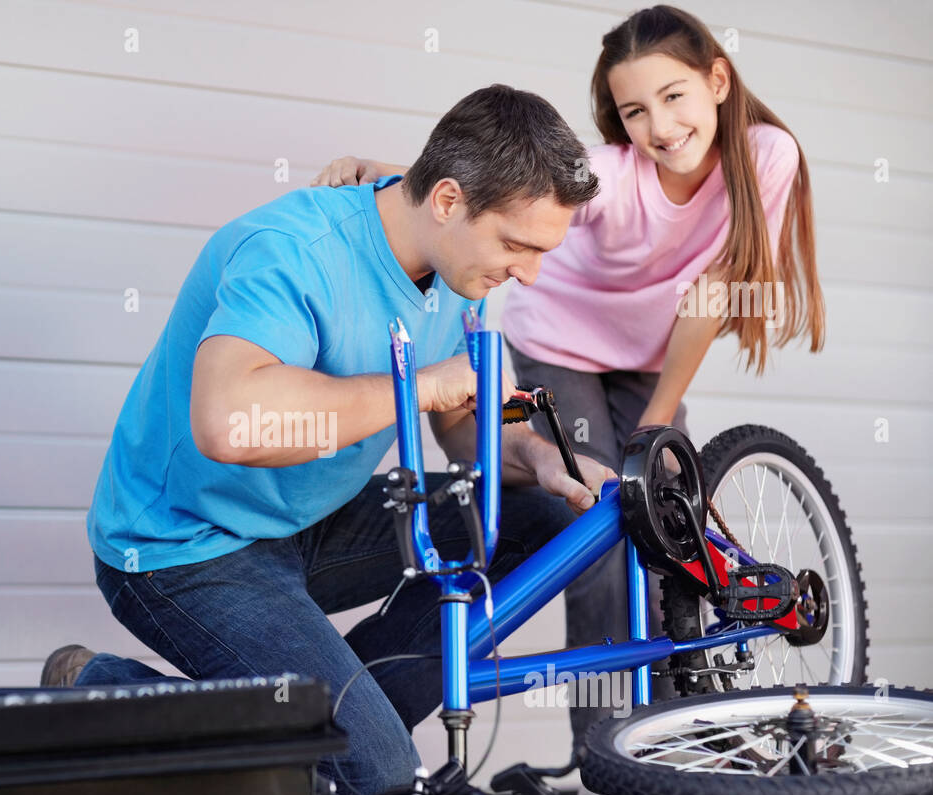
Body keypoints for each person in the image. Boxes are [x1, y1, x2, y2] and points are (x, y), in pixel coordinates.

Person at [46, 84, 611, 795]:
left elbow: (457, 428)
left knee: (534, 516)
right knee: (378, 781)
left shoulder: (456, 268)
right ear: (447, 201)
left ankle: (348, 708)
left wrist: (541, 460)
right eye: (518, 246)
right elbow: (228, 424)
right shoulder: (293, 252)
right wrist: (422, 384)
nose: (530, 274)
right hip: (186, 545)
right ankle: (96, 681)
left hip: (310, 521)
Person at [310, 4, 824, 746]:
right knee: (598, 521)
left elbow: (712, 293)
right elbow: (494, 189)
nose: (660, 126)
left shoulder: (768, 156)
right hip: (562, 339)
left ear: (717, 81)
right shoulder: (614, 178)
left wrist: (660, 416)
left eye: (674, 97)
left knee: (669, 521)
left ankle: (684, 726)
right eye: (634, 111)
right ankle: (609, 745)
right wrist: (385, 176)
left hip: (652, 352)